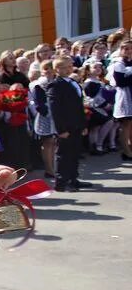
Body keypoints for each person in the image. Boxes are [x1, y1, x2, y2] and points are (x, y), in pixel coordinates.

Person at [46, 56, 89, 192]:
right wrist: (61, 129)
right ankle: (61, 182)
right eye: (63, 67)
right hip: (65, 126)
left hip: (76, 124)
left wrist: (83, 125)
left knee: (75, 152)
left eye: (69, 66)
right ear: (56, 70)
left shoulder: (72, 82)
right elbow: (55, 110)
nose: (67, 69)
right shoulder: (55, 85)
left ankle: (73, 179)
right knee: (64, 154)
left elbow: (79, 106)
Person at [107, 39, 132, 161]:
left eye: (130, 48)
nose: (128, 51)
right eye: (125, 48)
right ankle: (126, 151)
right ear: (121, 50)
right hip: (126, 97)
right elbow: (120, 82)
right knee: (125, 124)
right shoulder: (118, 64)